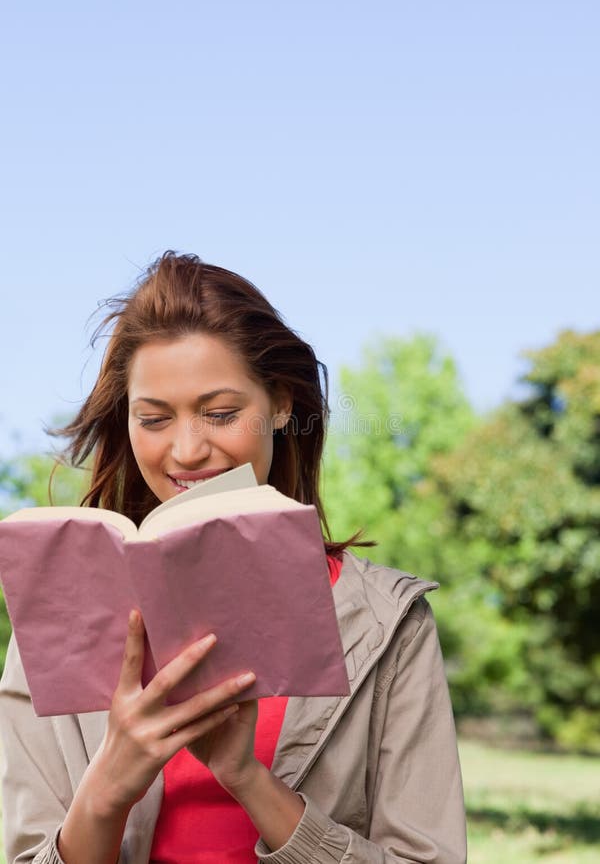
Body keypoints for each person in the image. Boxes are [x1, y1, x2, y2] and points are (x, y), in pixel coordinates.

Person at [0, 252, 466, 863]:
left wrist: (248, 779)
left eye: (220, 413)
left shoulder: (387, 624)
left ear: (280, 404)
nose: (188, 449)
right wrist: (108, 788)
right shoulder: (58, 615)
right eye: (154, 418)